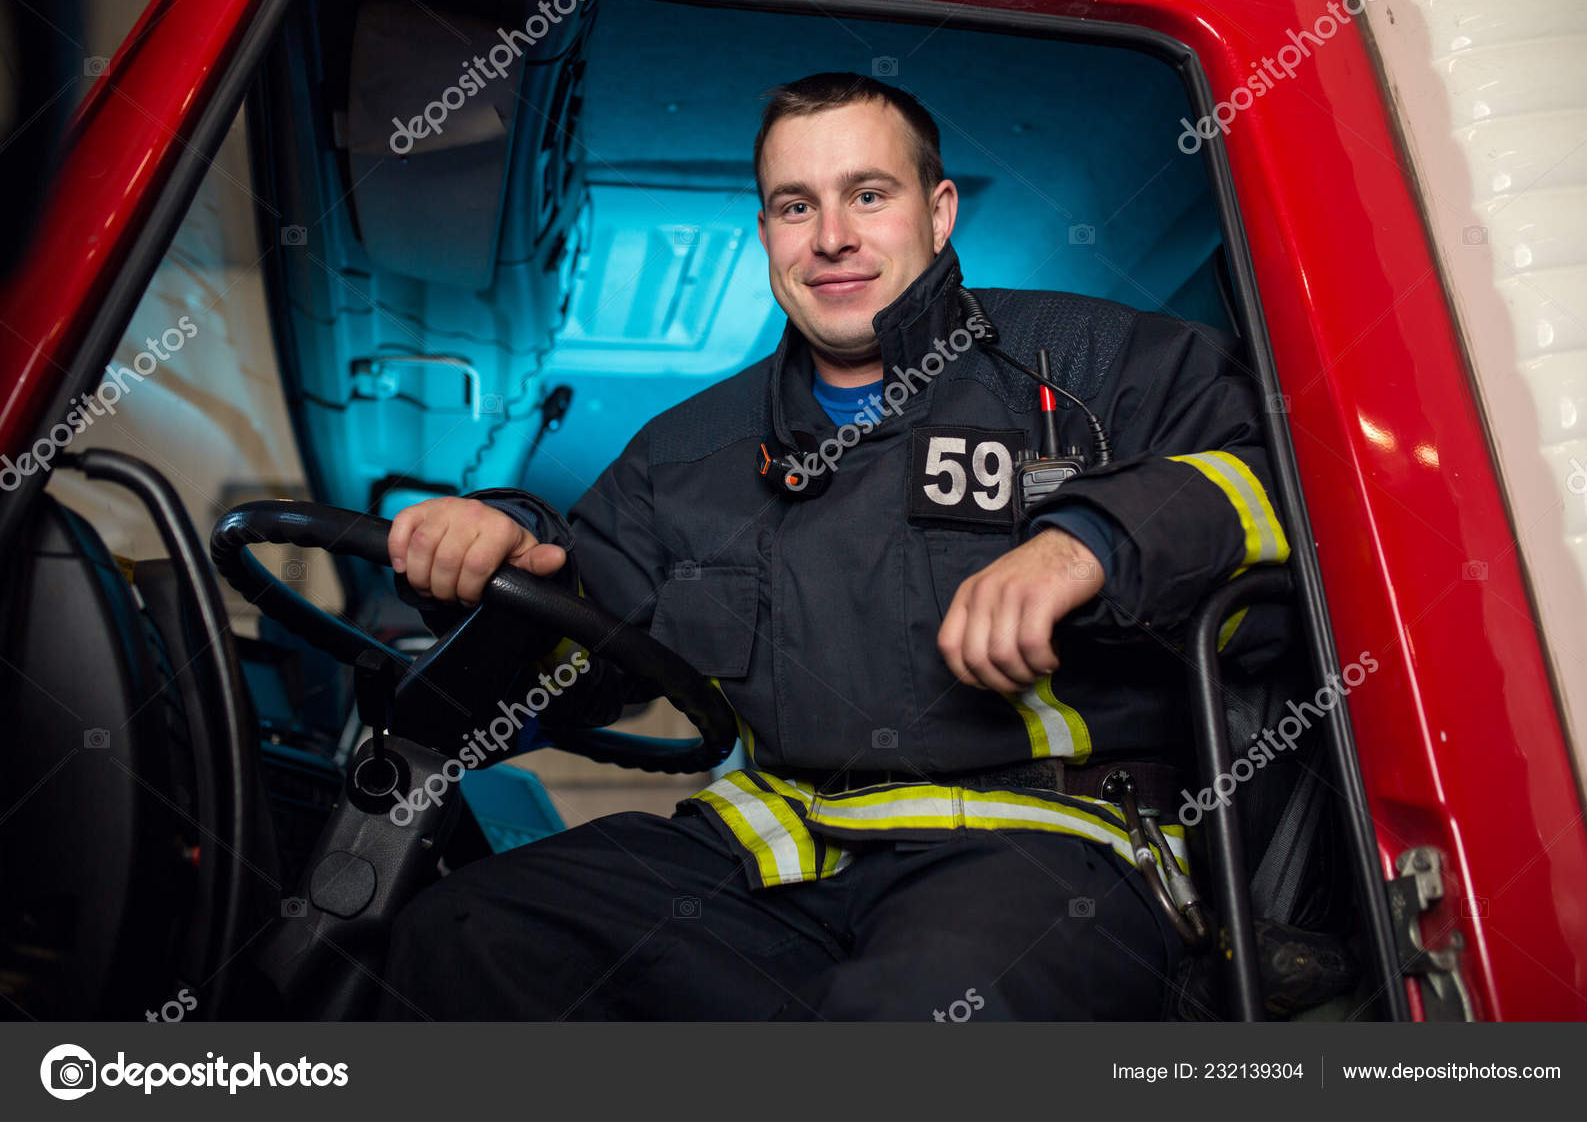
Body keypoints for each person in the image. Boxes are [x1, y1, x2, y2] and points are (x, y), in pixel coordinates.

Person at [377, 72, 1289, 1021]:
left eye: (867, 194)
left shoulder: (1095, 360)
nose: (832, 237)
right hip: (776, 844)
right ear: (766, 232)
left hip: (1041, 843)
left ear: (938, 214)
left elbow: (1287, 486)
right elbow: (578, 645)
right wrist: (496, 550)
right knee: (461, 936)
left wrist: (1090, 540)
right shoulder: (685, 452)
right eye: (794, 205)